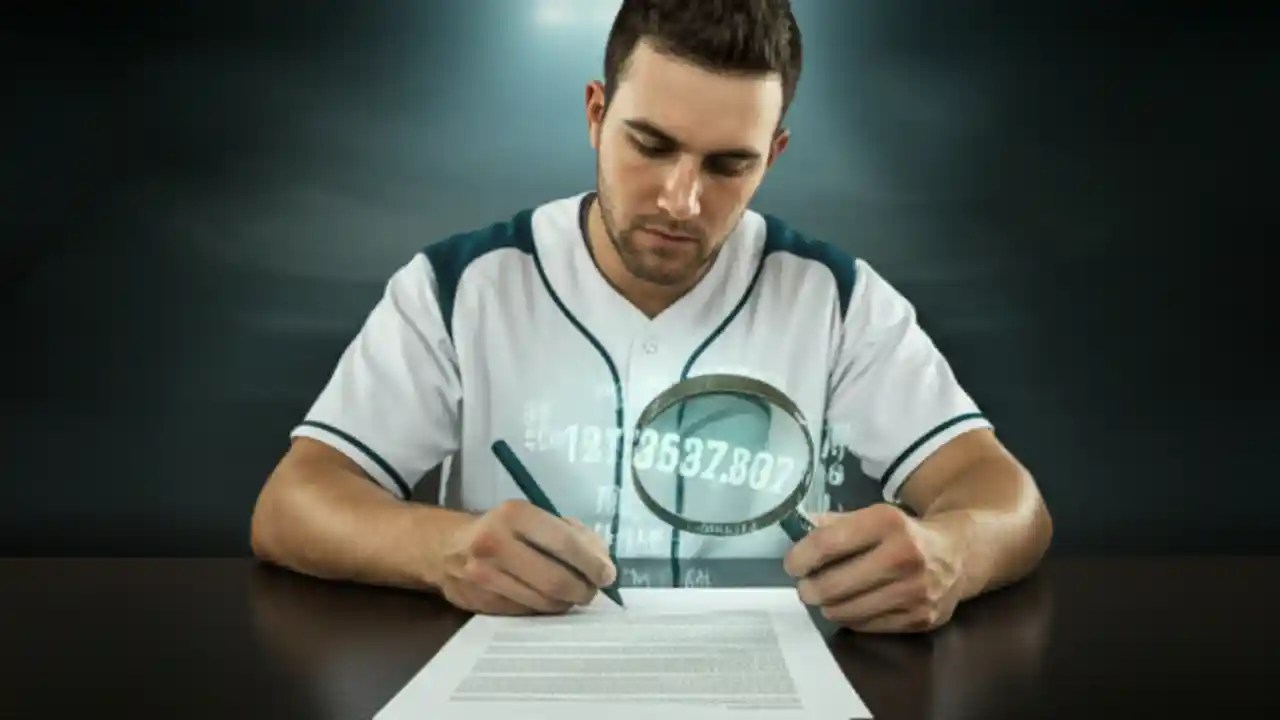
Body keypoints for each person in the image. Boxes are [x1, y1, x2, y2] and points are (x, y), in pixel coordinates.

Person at [250, 0, 1052, 634]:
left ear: (771, 155)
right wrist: (440, 548)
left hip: (757, 681)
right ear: (597, 113)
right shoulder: (461, 286)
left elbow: (1006, 498)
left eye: (727, 163)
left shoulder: (833, 297)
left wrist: (952, 551)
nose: (681, 199)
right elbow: (292, 503)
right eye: (651, 144)